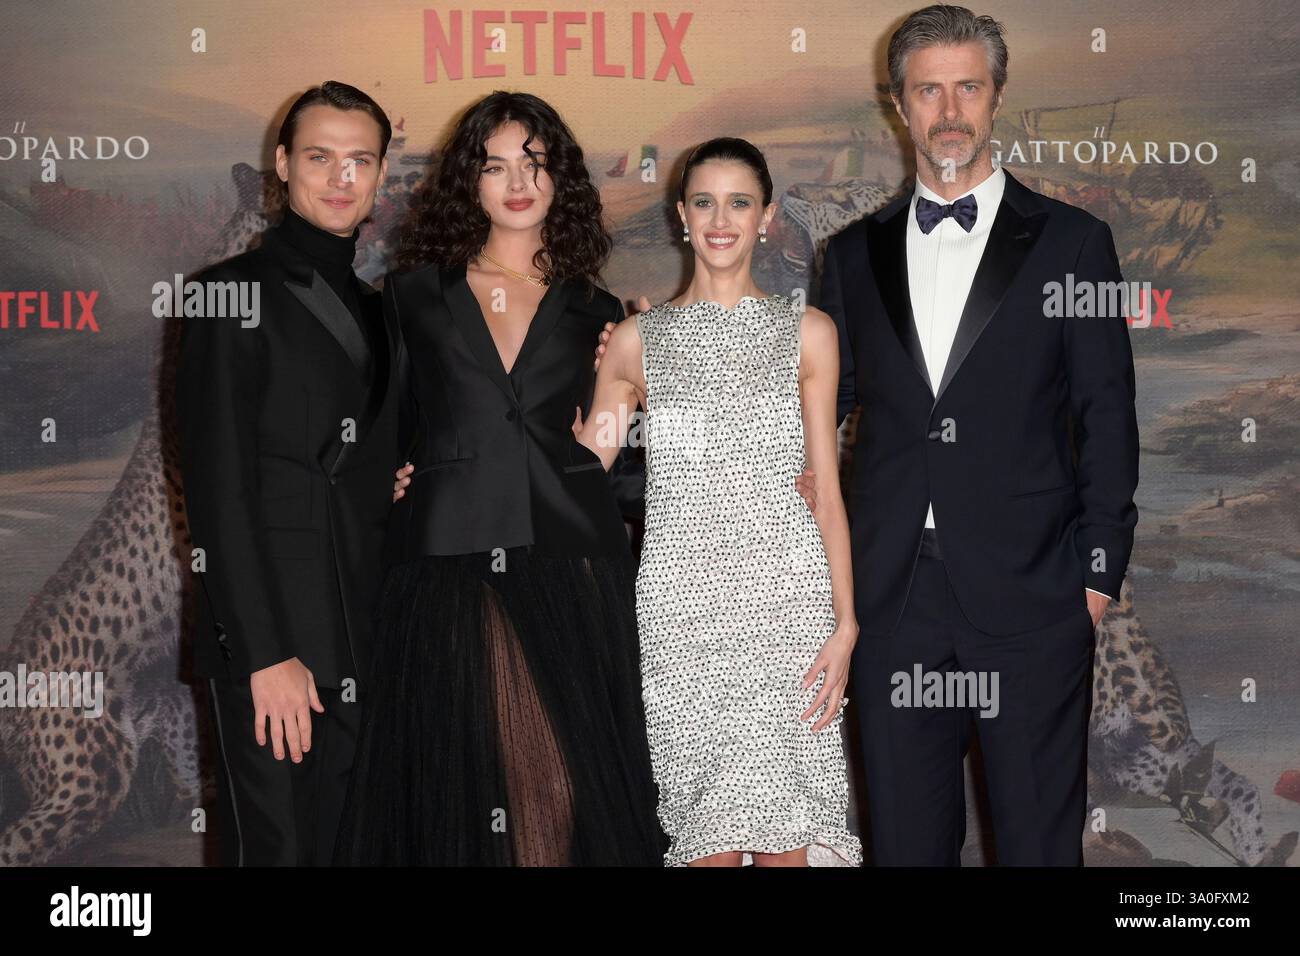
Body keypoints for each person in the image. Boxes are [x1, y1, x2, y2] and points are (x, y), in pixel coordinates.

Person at [815, 5, 1139, 864]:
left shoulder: (1076, 244)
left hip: (1035, 596)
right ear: (899, 105)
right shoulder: (849, 256)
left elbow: (1107, 414)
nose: (950, 110)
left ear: (997, 97)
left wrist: (1095, 578)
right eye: (930, 91)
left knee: (1037, 847)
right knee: (905, 847)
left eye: (968, 87)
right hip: (893, 601)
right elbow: (815, 416)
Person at [333, 91, 665, 866]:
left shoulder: (598, 310)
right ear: (470, 183)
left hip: (572, 567)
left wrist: (647, 384)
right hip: (450, 565)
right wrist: (382, 481)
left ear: (560, 178)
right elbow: (372, 428)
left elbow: (607, 461)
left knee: (565, 791)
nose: (517, 182)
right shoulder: (412, 294)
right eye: (495, 166)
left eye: (534, 162)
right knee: (485, 795)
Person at [579, 138, 863, 867]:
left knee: (786, 843)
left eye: (740, 203)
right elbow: (579, 470)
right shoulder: (636, 340)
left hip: (788, 610)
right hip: (681, 614)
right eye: (704, 202)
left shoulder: (810, 332)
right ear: (681, 215)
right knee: (704, 840)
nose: (721, 220)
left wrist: (845, 624)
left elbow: (827, 494)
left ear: (766, 217)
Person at [176, 81, 398, 865]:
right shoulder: (223, 295)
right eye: (319, 157)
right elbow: (218, 491)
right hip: (277, 648)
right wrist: (264, 655)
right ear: (282, 163)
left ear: (380, 174)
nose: (341, 177)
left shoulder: (384, 309)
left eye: (359, 160)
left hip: (372, 640)